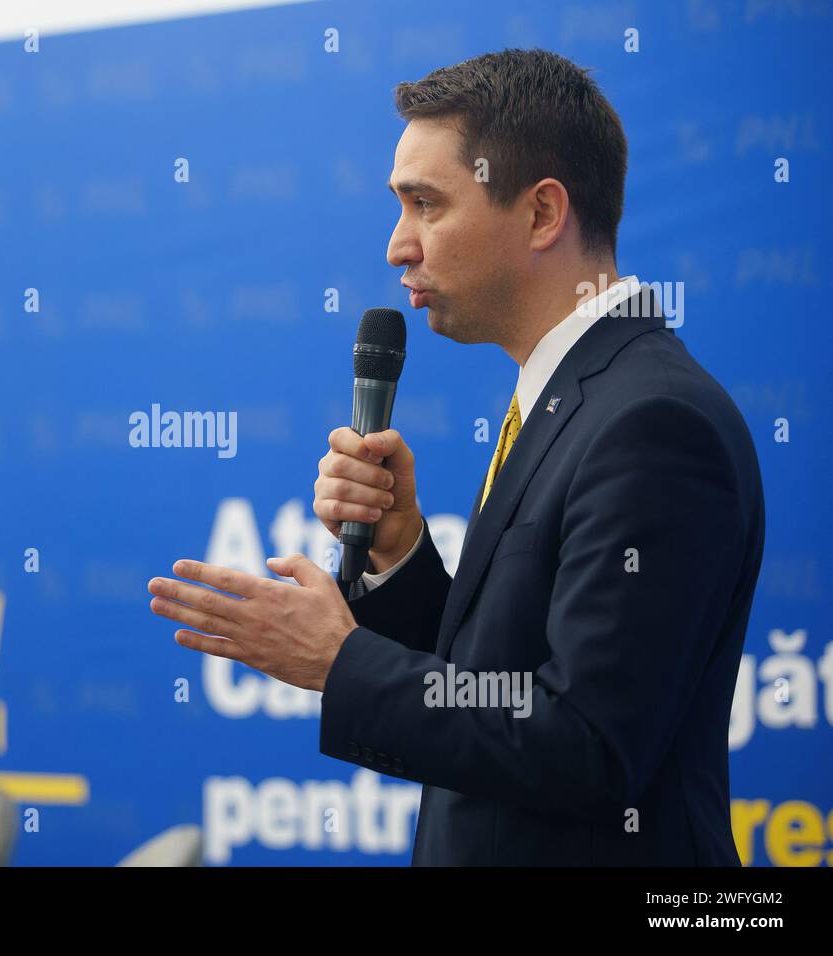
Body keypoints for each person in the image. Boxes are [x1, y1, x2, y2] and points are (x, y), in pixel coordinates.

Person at [147, 48, 764, 865]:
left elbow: (584, 740)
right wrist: (401, 556)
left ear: (543, 214)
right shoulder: (563, 393)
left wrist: (341, 662)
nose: (398, 245)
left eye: (424, 205)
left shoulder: (652, 421)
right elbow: (494, 681)